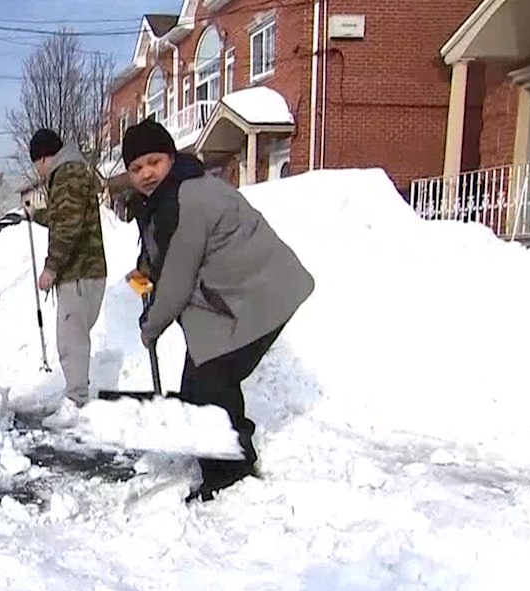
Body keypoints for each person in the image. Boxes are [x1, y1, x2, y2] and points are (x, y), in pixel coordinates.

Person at [121, 119, 315, 503]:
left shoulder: (190, 199)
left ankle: (232, 475)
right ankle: (225, 459)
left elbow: (178, 278)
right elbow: (164, 250)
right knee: (202, 385)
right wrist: (145, 269)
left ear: (171, 158)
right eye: (136, 167)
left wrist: (151, 326)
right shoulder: (167, 198)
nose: (146, 173)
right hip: (233, 297)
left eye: (154, 162)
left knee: (210, 385)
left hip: (258, 295)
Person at [27, 129, 107, 407]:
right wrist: (37, 214)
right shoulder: (72, 171)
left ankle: (76, 402)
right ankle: (76, 395)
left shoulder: (67, 173)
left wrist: (51, 268)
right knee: (74, 337)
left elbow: (68, 226)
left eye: (36, 165)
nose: (38, 172)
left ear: (43, 158)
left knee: (71, 341)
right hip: (85, 272)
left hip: (79, 272)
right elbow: (64, 215)